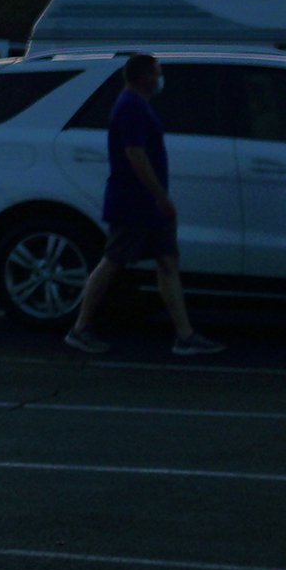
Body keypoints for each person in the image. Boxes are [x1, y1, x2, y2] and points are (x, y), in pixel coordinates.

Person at [68, 53, 219, 357]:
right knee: (113, 260)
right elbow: (135, 154)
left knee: (167, 262)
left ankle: (184, 335)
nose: (160, 78)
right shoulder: (130, 108)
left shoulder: (138, 106)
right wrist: (160, 196)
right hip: (134, 201)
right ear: (143, 77)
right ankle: (80, 328)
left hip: (149, 203)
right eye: (157, 72)